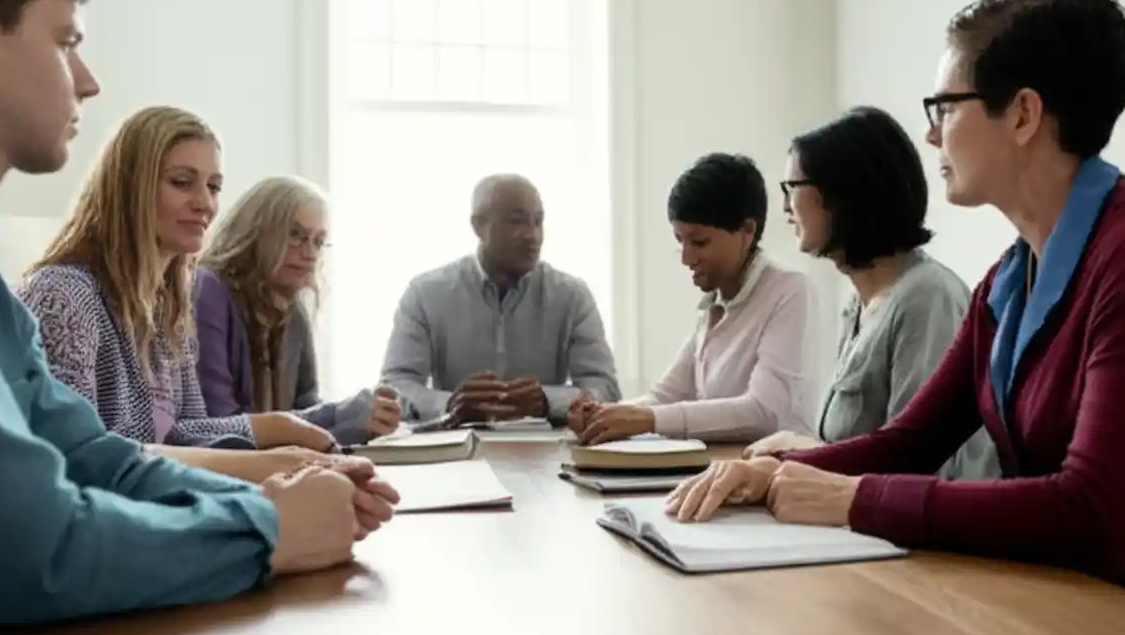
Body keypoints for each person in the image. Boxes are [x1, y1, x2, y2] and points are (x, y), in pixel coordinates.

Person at [0, 0, 393, 635]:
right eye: (66, 43)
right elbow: (23, 546)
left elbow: (94, 456)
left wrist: (274, 505)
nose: (88, 82)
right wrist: (269, 531)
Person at [670, 0, 1125, 592]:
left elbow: (1096, 515)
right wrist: (774, 472)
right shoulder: (1007, 280)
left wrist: (852, 498)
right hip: (1066, 601)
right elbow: (908, 442)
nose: (931, 134)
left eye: (945, 108)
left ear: (1024, 115)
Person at [18, 106, 352, 481]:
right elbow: (78, 457)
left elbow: (186, 430)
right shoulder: (64, 296)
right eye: (181, 182)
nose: (205, 204)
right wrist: (264, 464)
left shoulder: (168, 308)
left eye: (213, 187)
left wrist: (282, 429)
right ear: (131, 188)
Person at [742, 107, 999, 481]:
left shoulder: (927, 297)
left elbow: (915, 462)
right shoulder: (859, 304)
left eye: (792, 188)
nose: (785, 206)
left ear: (841, 193)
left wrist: (806, 455)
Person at [569, 153, 813, 444]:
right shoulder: (714, 304)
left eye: (699, 242)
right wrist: (604, 414)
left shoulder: (790, 291)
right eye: (679, 241)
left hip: (774, 475)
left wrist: (645, 420)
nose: (686, 258)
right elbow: (666, 396)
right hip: (719, 468)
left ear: (748, 231)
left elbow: (764, 411)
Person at [381, 173, 620, 425]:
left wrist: (548, 401)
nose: (533, 235)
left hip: (547, 455)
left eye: (538, 222)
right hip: (455, 454)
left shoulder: (572, 296)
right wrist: (449, 405)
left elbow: (605, 390)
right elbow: (394, 387)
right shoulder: (425, 294)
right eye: (517, 221)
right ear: (478, 226)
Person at [195, 175, 402, 444]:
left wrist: (363, 423)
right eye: (295, 235)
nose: (310, 253)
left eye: (318, 241)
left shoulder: (292, 309)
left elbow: (305, 406)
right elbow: (224, 430)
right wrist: (341, 415)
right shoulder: (208, 292)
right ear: (255, 232)